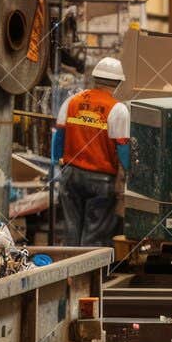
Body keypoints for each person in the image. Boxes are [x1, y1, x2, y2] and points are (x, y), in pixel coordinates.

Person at [52, 56, 131, 247]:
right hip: (101, 180)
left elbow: (58, 141)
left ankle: (68, 275)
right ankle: (87, 276)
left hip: (70, 175)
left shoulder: (71, 101)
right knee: (94, 235)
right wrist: (127, 176)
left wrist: (58, 166)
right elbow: (123, 150)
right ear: (118, 83)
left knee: (72, 230)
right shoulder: (118, 109)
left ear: (94, 78)